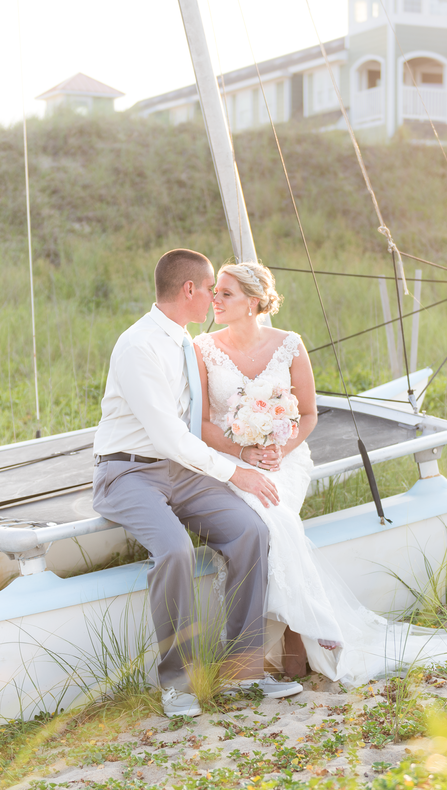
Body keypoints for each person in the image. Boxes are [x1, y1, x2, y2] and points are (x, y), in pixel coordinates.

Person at [195, 261, 447, 685]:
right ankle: (307, 634)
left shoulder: (289, 345)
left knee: (269, 514)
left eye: (225, 293)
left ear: (253, 302)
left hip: (284, 460)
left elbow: (307, 415)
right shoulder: (203, 348)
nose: (215, 298)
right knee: (272, 521)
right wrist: (243, 451)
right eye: (215, 291)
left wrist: (275, 449)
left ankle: (277, 651)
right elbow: (202, 424)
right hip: (232, 460)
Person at [92, 249, 302, 719]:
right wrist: (237, 471)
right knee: (175, 550)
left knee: (252, 531)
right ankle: (179, 682)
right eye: (210, 289)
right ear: (190, 290)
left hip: (181, 471)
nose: (213, 298)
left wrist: (254, 440)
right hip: (127, 472)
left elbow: (198, 422)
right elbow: (169, 436)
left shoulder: (188, 342)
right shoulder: (138, 346)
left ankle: (241, 671)